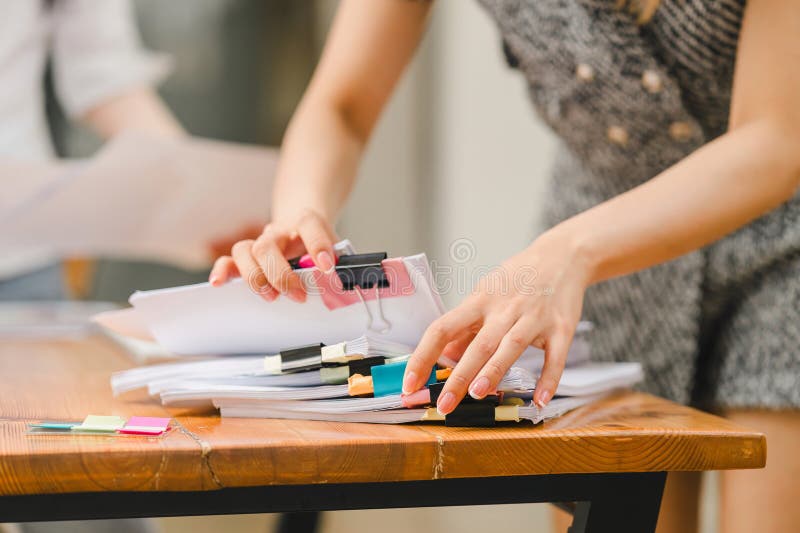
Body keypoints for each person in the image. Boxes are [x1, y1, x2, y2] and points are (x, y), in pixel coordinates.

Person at [211, 1, 800, 531]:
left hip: (769, 238)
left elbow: (777, 138)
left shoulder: (570, 252)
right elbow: (343, 103)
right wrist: (301, 211)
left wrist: (567, 254)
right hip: (600, 249)